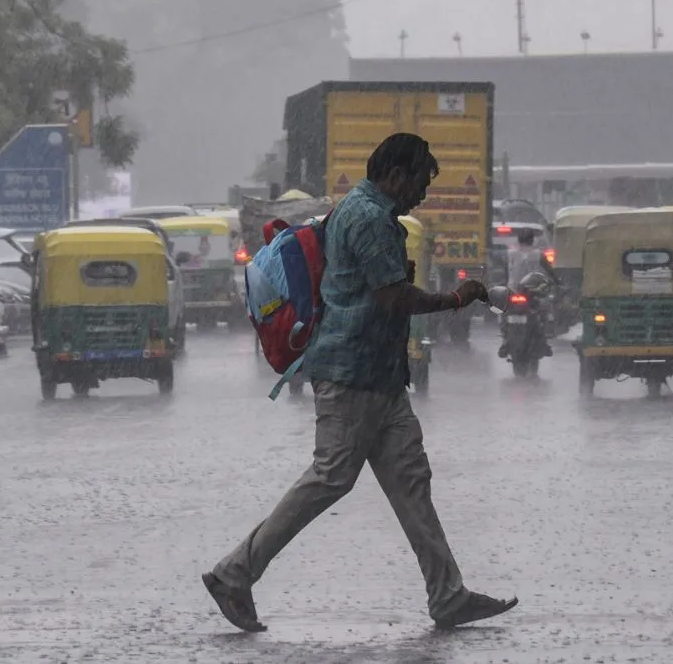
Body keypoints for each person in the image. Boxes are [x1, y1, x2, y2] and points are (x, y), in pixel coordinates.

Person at [202, 133, 518, 632]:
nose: (421, 195)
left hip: (379, 376)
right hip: (351, 374)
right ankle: (233, 573)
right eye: (419, 182)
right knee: (329, 478)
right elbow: (394, 298)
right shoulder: (369, 219)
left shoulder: (364, 213)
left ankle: (448, 595)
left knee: (411, 483)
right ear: (395, 174)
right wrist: (457, 299)